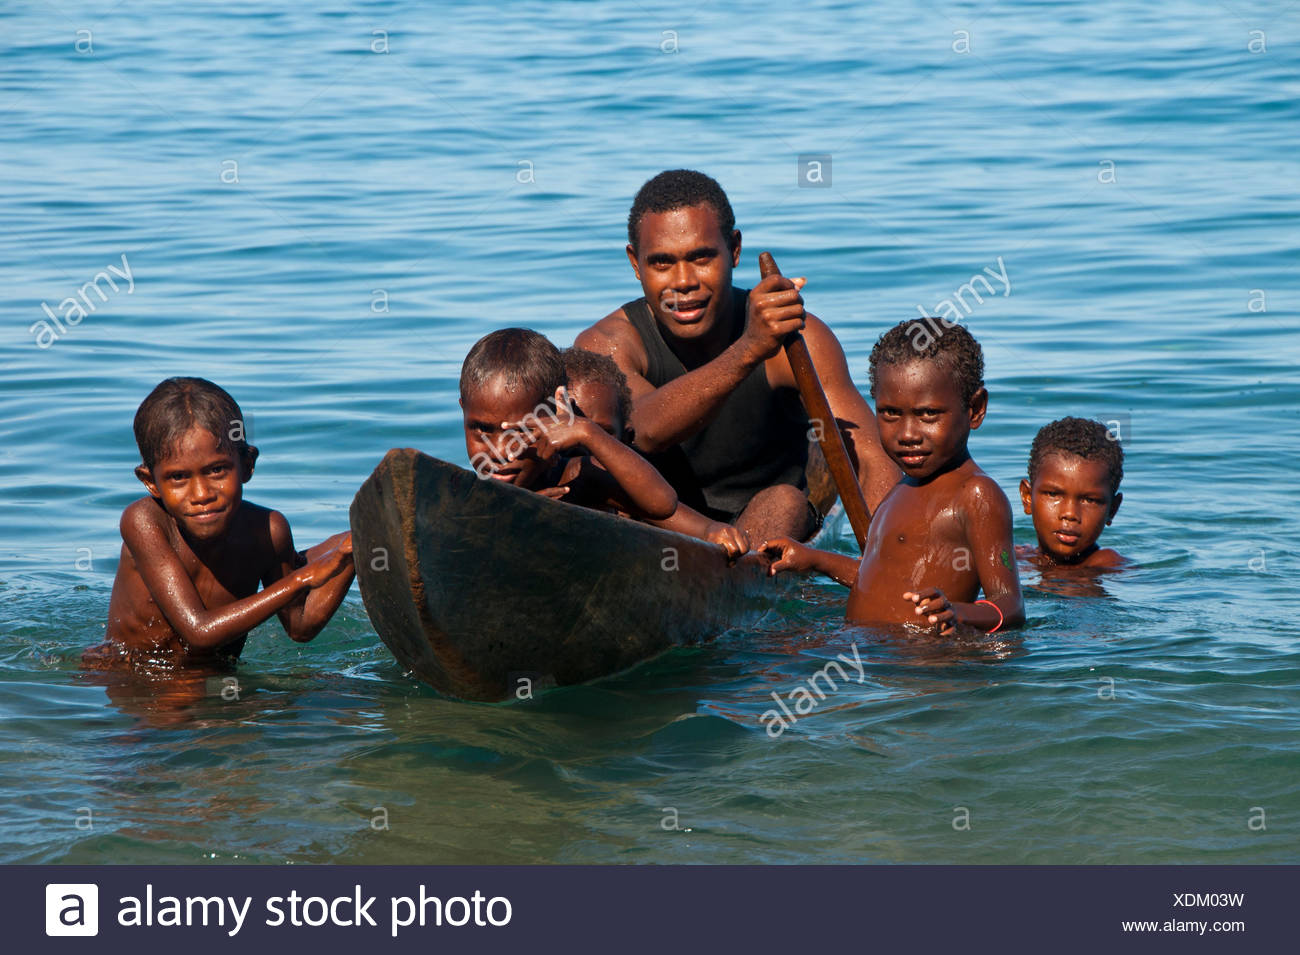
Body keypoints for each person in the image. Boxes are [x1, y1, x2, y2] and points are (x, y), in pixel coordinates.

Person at [575, 169, 898, 544]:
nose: (683, 281)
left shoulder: (798, 338)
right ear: (635, 263)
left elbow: (874, 460)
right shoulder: (606, 344)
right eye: (662, 263)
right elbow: (644, 430)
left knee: (783, 503)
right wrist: (750, 349)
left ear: (734, 250)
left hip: (771, 531)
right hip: (660, 528)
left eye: (701, 258)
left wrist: (882, 559)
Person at [763, 321, 1024, 636]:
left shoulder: (977, 494)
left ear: (975, 409)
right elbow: (879, 577)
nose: (908, 434)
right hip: (872, 658)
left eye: (928, 414)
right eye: (890, 414)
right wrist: (814, 559)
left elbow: (1010, 606)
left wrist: (960, 613)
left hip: (922, 664)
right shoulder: (901, 488)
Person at [87, 377, 355, 668]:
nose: (201, 495)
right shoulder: (144, 521)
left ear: (247, 465)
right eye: (178, 477)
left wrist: (355, 550)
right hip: (136, 680)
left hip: (216, 681)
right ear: (150, 482)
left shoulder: (268, 530)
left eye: (217, 470)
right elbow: (199, 632)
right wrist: (303, 577)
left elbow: (300, 626)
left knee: (337, 697)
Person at [460, 329, 677, 520]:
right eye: (483, 429)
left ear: (556, 418)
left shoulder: (576, 478)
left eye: (521, 431)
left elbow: (663, 504)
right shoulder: (462, 497)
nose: (500, 451)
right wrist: (512, 516)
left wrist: (586, 431)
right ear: (463, 411)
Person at [562, 346, 749, 558]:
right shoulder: (545, 480)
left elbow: (692, 523)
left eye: (601, 435)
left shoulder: (633, 496)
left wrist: (713, 531)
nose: (583, 447)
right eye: (564, 431)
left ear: (626, 439)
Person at [1017, 417, 1125, 569]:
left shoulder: (1109, 566)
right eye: (1053, 494)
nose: (1069, 513)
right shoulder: (1015, 559)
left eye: (1089, 500)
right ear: (1027, 497)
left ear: (1112, 509)